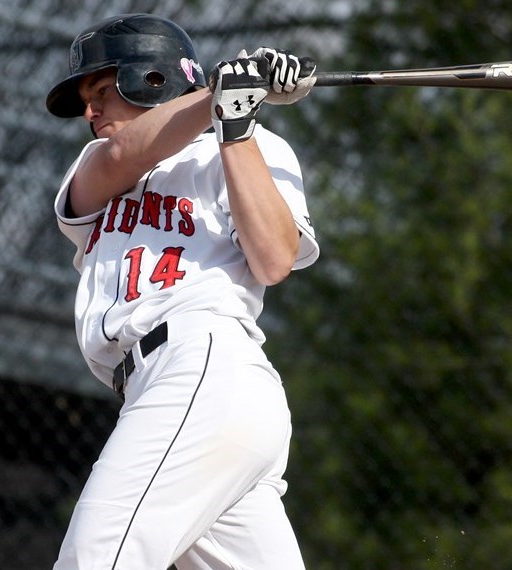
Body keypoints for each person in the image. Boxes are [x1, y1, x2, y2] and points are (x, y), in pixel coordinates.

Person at [46, 13, 319, 570]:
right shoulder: (99, 164)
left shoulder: (254, 148)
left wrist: (236, 125)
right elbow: (125, 157)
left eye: (102, 91)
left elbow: (273, 259)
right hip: (167, 395)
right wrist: (221, 96)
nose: (91, 112)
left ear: (153, 78)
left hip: (203, 366)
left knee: (95, 559)